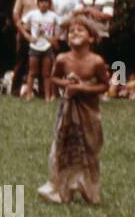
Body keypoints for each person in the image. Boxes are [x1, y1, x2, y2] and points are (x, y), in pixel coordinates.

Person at [38, 15, 109, 204]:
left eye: (80, 30)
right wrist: (66, 83)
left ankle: (90, 189)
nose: (74, 32)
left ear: (91, 38)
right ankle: (61, 187)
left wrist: (83, 88)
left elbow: (104, 85)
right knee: (63, 145)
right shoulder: (62, 59)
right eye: (71, 31)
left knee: (90, 148)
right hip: (68, 109)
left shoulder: (96, 62)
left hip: (89, 112)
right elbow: (53, 78)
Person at [10, 0, 50, 96]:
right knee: (21, 61)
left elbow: (52, 13)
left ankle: (43, 92)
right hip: (25, 31)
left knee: (42, 62)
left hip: (42, 33)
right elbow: (16, 13)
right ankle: (15, 90)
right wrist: (21, 30)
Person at [20, 0, 60, 101]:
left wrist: (54, 38)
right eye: (41, 2)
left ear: (49, 3)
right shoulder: (32, 14)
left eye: (46, 2)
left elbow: (61, 27)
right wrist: (27, 36)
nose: (44, 4)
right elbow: (21, 24)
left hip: (47, 46)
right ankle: (28, 95)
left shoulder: (53, 16)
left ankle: (47, 96)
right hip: (34, 46)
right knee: (32, 72)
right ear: (38, 3)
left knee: (46, 73)